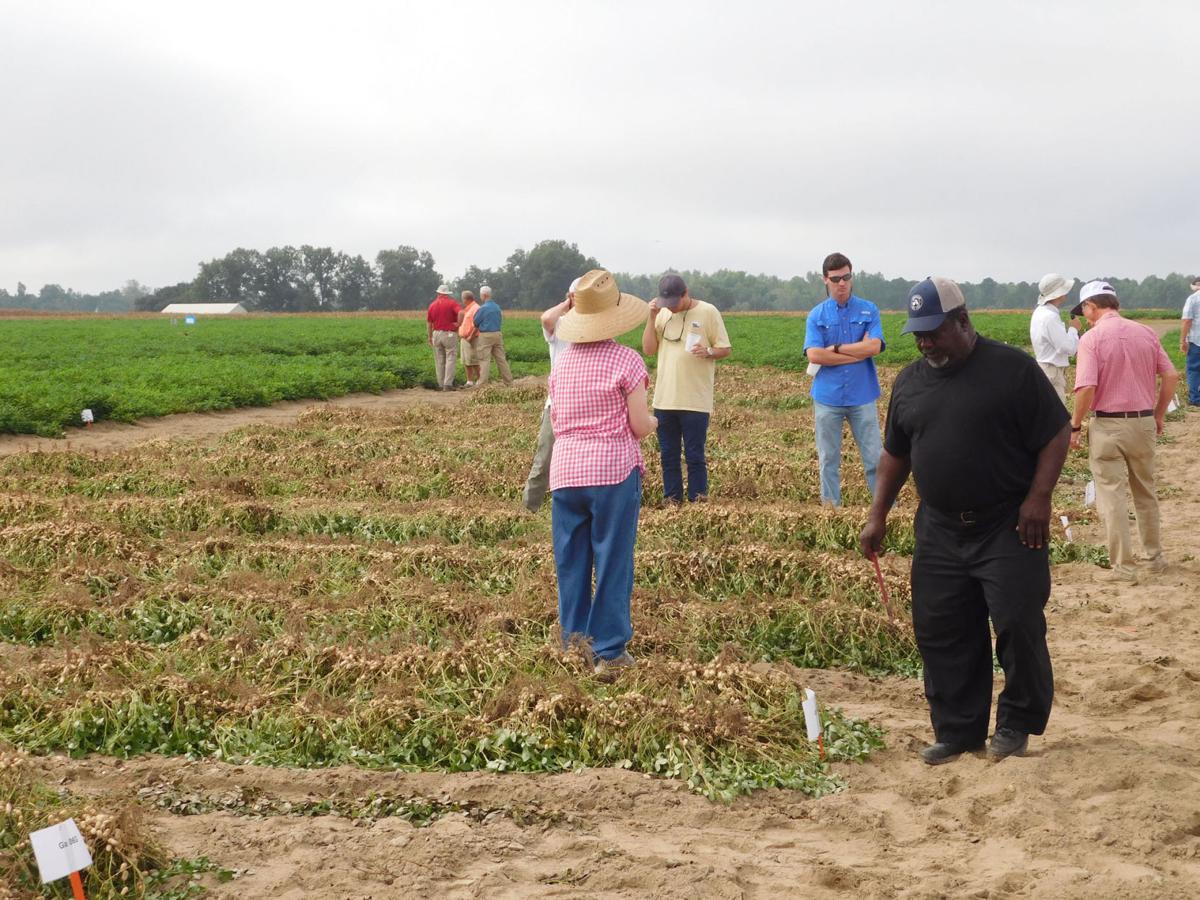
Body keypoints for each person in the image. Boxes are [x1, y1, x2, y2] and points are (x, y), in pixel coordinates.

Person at [860, 276, 1070, 765]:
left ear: (963, 321)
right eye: (918, 334)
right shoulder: (910, 381)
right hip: (939, 527)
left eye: (934, 331)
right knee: (942, 628)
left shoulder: (1011, 370)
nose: (926, 342)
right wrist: (877, 515)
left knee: (1017, 622)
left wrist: (1039, 498)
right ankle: (959, 730)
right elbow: (895, 454)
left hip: (1008, 524)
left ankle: (1016, 722)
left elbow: (1056, 432)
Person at [548, 269, 657, 672]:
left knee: (571, 560)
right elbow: (640, 426)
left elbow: (558, 421)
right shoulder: (626, 361)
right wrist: (656, 424)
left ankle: (573, 644)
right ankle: (608, 651)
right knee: (612, 558)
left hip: (566, 471)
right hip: (611, 471)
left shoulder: (561, 364)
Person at [1070, 280, 1178, 583]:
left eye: (1085, 310)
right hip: (1142, 421)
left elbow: (1086, 387)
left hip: (1107, 424)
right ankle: (1155, 558)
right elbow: (1170, 376)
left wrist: (1076, 425)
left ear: (1091, 306)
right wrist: (1158, 414)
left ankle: (1124, 567)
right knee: (1145, 491)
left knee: (1111, 496)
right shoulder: (1145, 332)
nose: (1086, 315)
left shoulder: (1091, 339)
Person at [641, 273, 731, 504]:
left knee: (694, 456)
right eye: (666, 304)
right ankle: (672, 500)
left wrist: (709, 351)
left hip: (695, 400)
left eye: (674, 303)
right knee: (668, 456)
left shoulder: (708, 312)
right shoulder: (661, 313)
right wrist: (651, 318)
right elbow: (649, 349)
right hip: (664, 399)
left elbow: (725, 348)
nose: (670, 308)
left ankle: (698, 501)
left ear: (686, 293)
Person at [803, 252, 885, 505]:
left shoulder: (868, 309)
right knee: (828, 458)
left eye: (846, 277)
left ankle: (884, 510)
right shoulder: (816, 315)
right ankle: (831, 510)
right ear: (825, 280)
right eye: (836, 278)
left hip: (863, 395)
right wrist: (855, 353)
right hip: (828, 397)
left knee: (874, 458)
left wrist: (836, 349)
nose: (842, 283)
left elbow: (873, 347)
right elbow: (814, 355)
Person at [522, 278, 578, 512]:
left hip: (585, 406)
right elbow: (546, 319)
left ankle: (570, 508)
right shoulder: (562, 324)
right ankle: (528, 509)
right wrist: (568, 303)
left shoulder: (601, 328)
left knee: (577, 463)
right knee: (544, 459)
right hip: (556, 405)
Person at [1029, 273, 1082, 404]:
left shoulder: (1040, 312)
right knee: (1057, 416)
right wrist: (1074, 329)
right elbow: (1067, 348)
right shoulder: (1050, 317)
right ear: (1058, 293)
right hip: (1052, 371)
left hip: (1045, 368)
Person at [473, 285, 514, 386]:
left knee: (484, 360)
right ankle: (509, 382)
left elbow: (475, 322)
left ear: (484, 295)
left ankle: (482, 384)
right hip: (497, 334)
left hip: (485, 335)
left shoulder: (483, 308)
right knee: (501, 359)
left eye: (481, 295)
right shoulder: (497, 307)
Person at [426, 284, 461, 391]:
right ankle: (448, 384)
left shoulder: (432, 305)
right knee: (451, 357)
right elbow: (461, 312)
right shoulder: (452, 303)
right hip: (449, 333)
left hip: (436, 333)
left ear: (438, 293)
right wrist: (458, 323)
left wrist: (430, 336)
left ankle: (440, 384)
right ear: (447, 294)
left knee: (439, 359)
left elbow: (429, 323)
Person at [1181, 276, 1200, 406]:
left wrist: (1182, 340)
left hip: (1196, 340)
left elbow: (1187, 320)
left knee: (1193, 369)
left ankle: (1195, 399)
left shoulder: (1193, 299)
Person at [458, 290, 481, 387]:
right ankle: (470, 381)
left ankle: (481, 380)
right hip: (465, 338)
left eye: (462, 298)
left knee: (474, 360)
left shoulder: (476, 308)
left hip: (472, 338)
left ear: (465, 299)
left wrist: (471, 336)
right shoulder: (468, 309)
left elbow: (477, 324)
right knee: (467, 361)